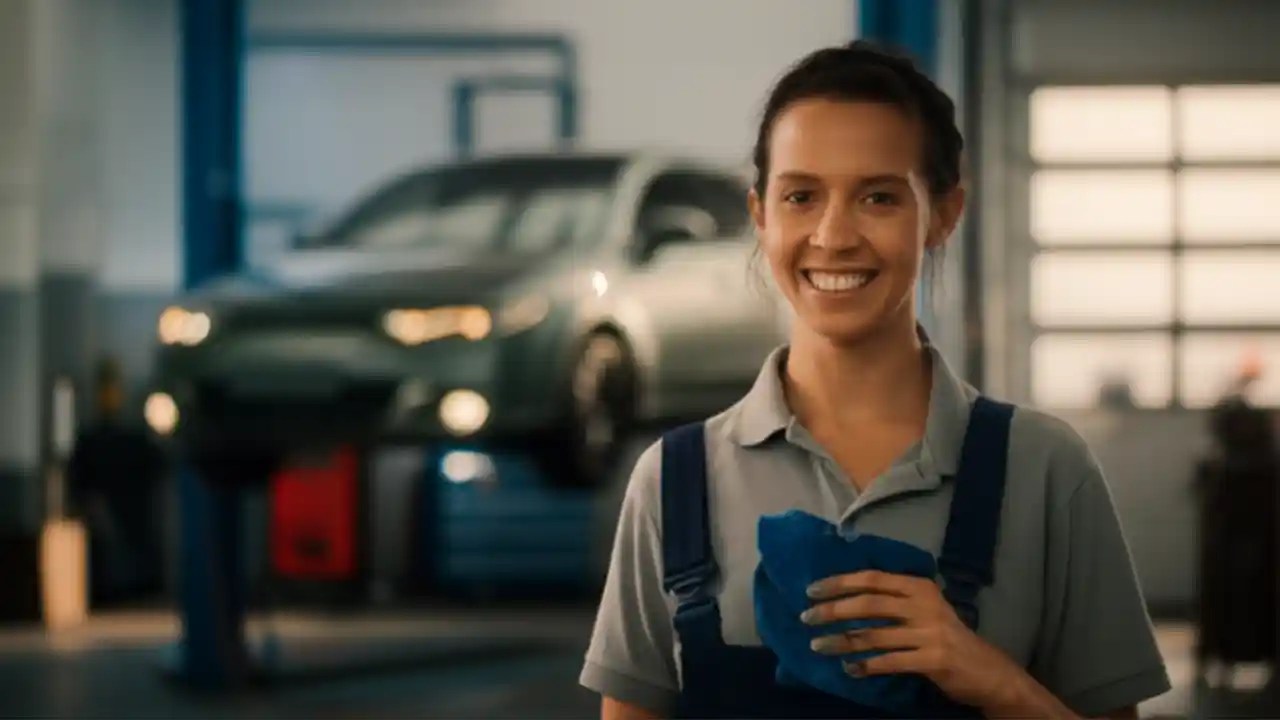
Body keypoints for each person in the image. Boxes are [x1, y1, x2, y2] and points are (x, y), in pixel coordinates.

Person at [579, 41, 1170, 719]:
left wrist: (994, 680)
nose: (833, 235)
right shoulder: (675, 483)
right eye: (801, 196)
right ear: (761, 216)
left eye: (879, 197)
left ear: (944, 214)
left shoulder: (1046, 471)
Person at [67, 357, 168, 605]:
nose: (109, 395)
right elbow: (80, 482)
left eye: (112, 388)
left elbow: (158, 469)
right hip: (106, 525)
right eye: (105, 389)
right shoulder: (91, 441)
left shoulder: (134, 439)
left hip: (134, 520)